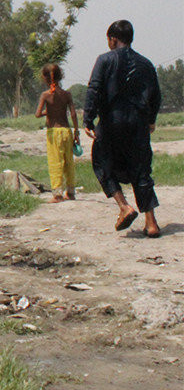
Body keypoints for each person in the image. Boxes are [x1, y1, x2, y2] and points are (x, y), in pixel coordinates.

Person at [84, 20, 162, 237]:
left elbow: (95, 89)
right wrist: (151, 119)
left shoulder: (105, 60)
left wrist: (88, 119)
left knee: (102, 161)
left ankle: (124, 206)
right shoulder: (146, 64)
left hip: (111, 123)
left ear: (112, 39)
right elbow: (156, 95)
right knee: (142, 170)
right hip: (138, 123)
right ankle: (152, 222)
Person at [35, 63, 80, 202]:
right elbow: (73, 114)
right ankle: (71, 192)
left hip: (53, 132)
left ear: (45, 79)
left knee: (56, 162)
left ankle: (57, 194)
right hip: (66, 130)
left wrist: (47, 112)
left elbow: (37, 114)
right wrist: (77, 131)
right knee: (68, 162)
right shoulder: (67, 94)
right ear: (60, 76)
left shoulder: (45, 95)